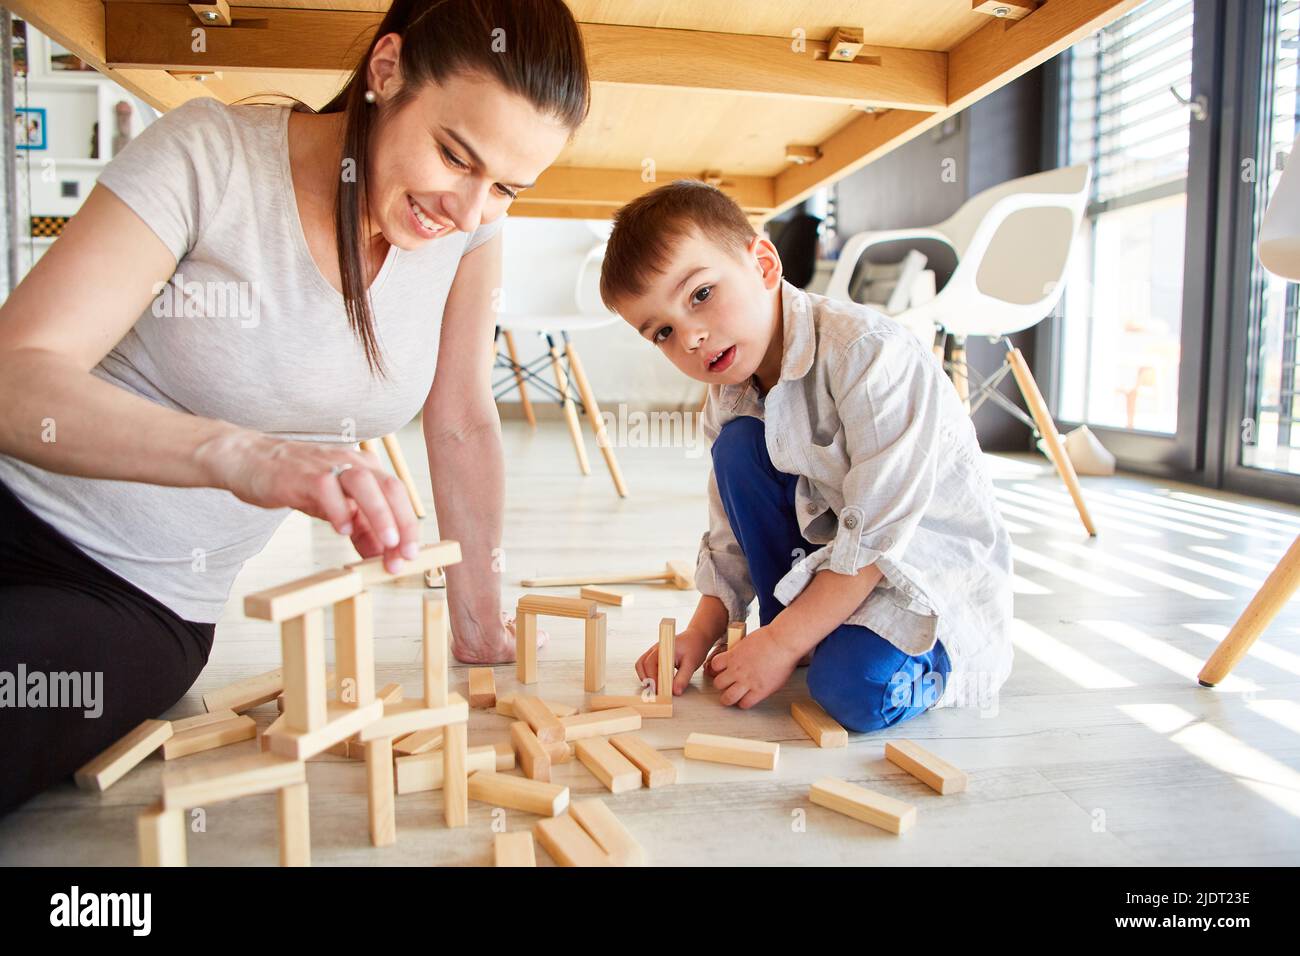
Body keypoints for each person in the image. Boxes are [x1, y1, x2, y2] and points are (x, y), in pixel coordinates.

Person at [0, 0, 590, 814]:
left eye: (506, 188)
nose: (467, 208)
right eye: (455, 155)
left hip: (138, 598)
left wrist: (478, 620)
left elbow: (460, 415)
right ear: (387, 72)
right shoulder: (211, 156)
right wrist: (243, 455)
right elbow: (15, 374)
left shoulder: (471, 229)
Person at [599, 181, 1014, 732]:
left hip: (917, 570)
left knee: (853, 689)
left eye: (700, 294)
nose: (692, 338)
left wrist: (782, 641)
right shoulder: (728, 395)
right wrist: (700, 634)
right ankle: (802, 633)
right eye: (664, 332)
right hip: (829, 567)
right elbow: (728, 539)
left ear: (765, 265)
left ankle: (905, 662)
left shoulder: (868, 355)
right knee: (740, 447)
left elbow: (875, 542)